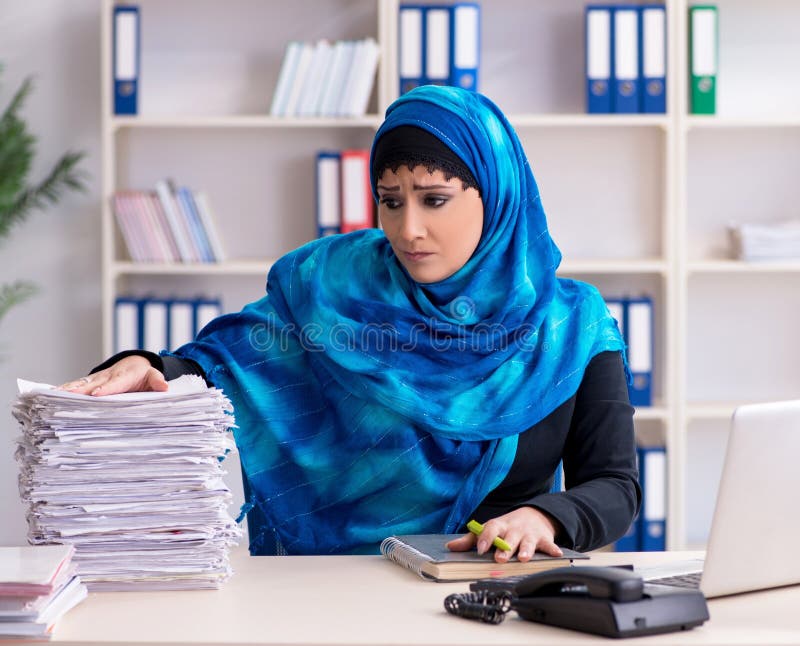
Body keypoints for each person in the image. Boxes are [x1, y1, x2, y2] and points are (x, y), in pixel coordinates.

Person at [61, 86, 640, 560]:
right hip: (335, 592)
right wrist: (148, 366)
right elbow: (225, 365)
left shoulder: (572, 327)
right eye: (391, 200)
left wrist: (545, 516)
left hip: (489, 593)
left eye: (434, 200)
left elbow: (615, 485)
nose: (408, 229)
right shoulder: (334, 289)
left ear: (496, 195)